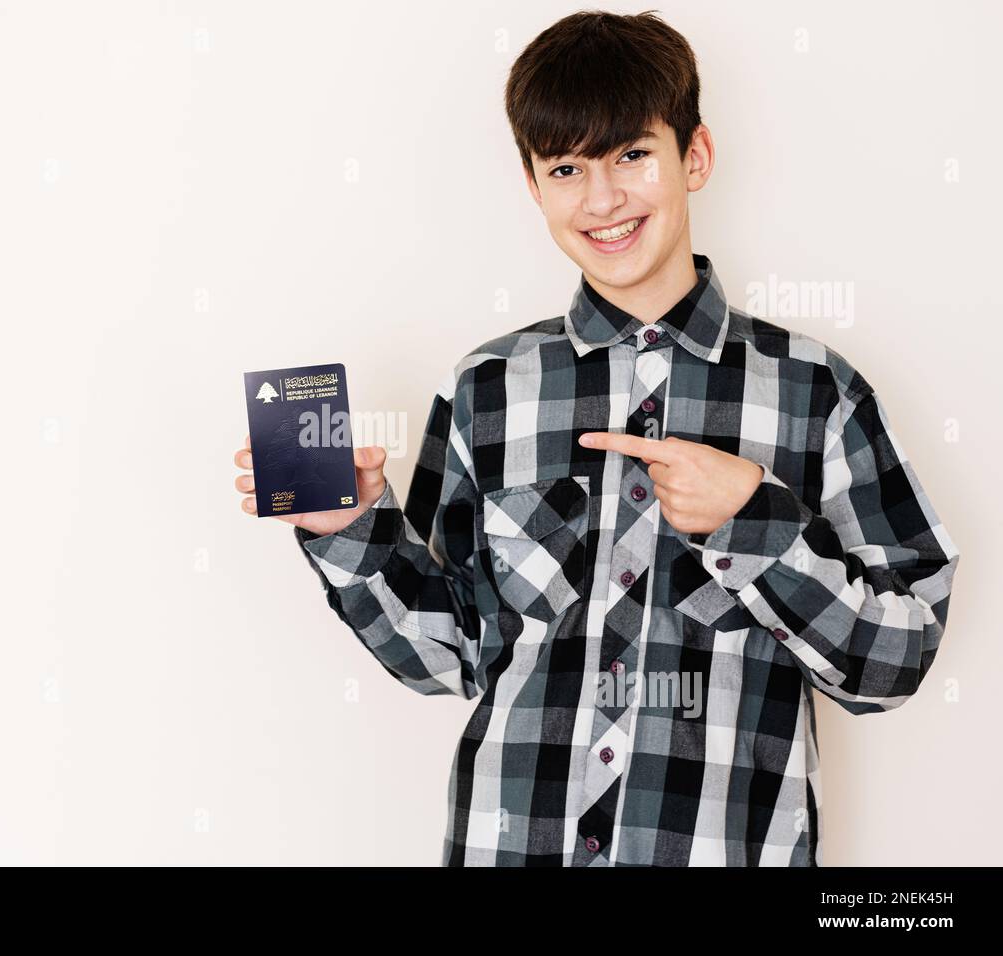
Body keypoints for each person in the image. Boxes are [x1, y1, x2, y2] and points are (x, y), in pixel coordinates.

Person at [231, 9, 958, 866]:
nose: (602, 199)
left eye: (632, 156)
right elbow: (448, 656)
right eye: (567, 167)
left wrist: (753, 522)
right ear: (534, 188)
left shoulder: (816, 392)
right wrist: (351, 530)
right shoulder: (484, 391)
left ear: (695, 157)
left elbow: (897, 661)